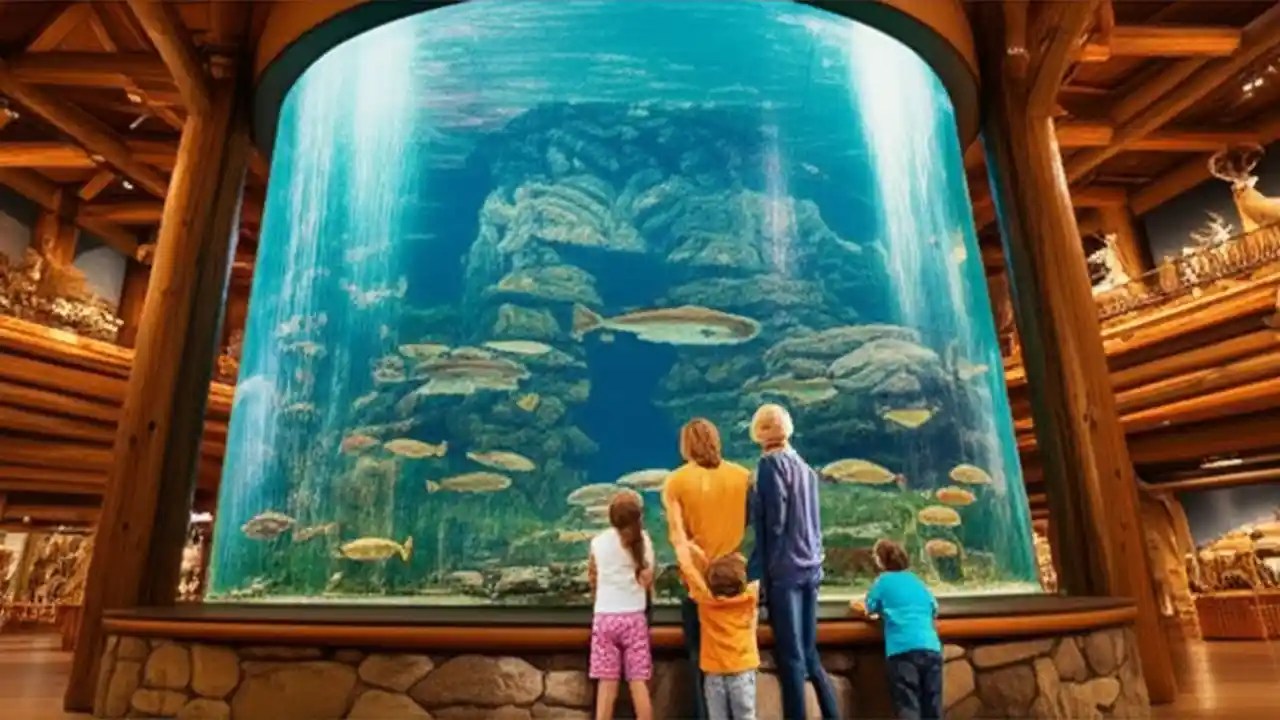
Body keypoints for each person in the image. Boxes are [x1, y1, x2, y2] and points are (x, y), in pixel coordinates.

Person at [747, 403, 840, 720]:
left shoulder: (770, 465)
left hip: (784, 570)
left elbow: (775, 521)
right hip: (811, 566)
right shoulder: (804, 467)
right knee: (810, 654)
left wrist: (761, 572)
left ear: (760, 431)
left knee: (791, 657)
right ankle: (831, 713)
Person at [662, 418, 752, 719]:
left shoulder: (676, 481)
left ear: (685, 445)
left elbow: (679, 540)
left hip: (698, 587)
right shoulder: (743, 476)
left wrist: (700, 589)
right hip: (736, 586)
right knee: (740, 663)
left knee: (701, 663)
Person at [673, 528, 761, 720]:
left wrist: (688, 547)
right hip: (742, 672)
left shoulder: (706, 604)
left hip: (714, 674)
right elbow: (757, 577)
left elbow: (692, 576)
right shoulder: (748, 600)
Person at [588, 490, 656, 720]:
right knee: (638, 681)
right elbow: (648, 580)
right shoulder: (644, 540)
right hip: (634, 619)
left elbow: (593, 578)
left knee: (606, 684)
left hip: (605, 617)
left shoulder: (598, 542)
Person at [857, 539, 943, 720]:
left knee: (908, 704)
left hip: (902, 650)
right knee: (932, 706)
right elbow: (933, 608)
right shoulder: (917, 581)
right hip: (931, 647)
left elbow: (869, 607)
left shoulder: (883, 582)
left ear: (881, 561)